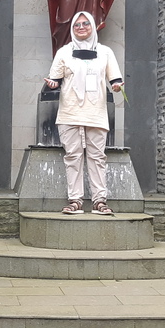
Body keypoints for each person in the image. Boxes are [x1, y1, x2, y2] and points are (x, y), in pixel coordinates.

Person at [44, 11, 123, 215]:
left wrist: (116, 86)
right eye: (77, 25)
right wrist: (53, 83)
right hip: (69, 112)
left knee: (97, 157)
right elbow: (55, 79)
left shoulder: (105, 52)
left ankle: (99, 201)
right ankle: (75, 201)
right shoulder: (63, 52)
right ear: (72, 28)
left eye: (85, 24)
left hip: (96, 112)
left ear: (93, 26)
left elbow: (115, 80)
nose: (81, 28)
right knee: (73, 155)